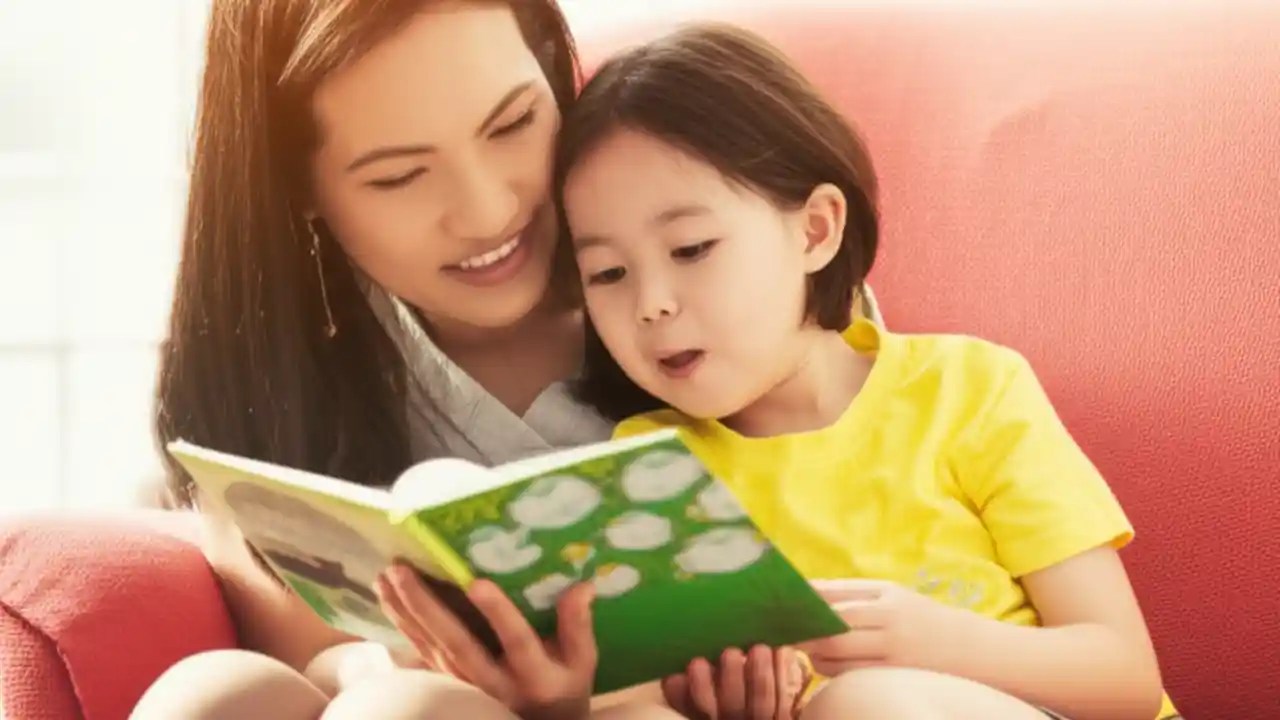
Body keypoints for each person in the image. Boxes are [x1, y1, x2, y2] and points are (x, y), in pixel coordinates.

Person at [134, 1, 884, 718]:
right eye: (400, 176)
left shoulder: (719, 283)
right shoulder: (278, 378)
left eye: (514, 123)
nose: (489, 211)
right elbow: (310, 665)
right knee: (217, 692)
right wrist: (401, 662)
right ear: (297, 186)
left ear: (553, 69)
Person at [553, 22, 1182, 720]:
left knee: (867, 701)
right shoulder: (649, 467)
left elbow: (1124, 679)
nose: (651, 304)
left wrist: (938, 642)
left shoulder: (968, 387)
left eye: (692, 248)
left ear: (815, 230)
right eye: (607, 273)